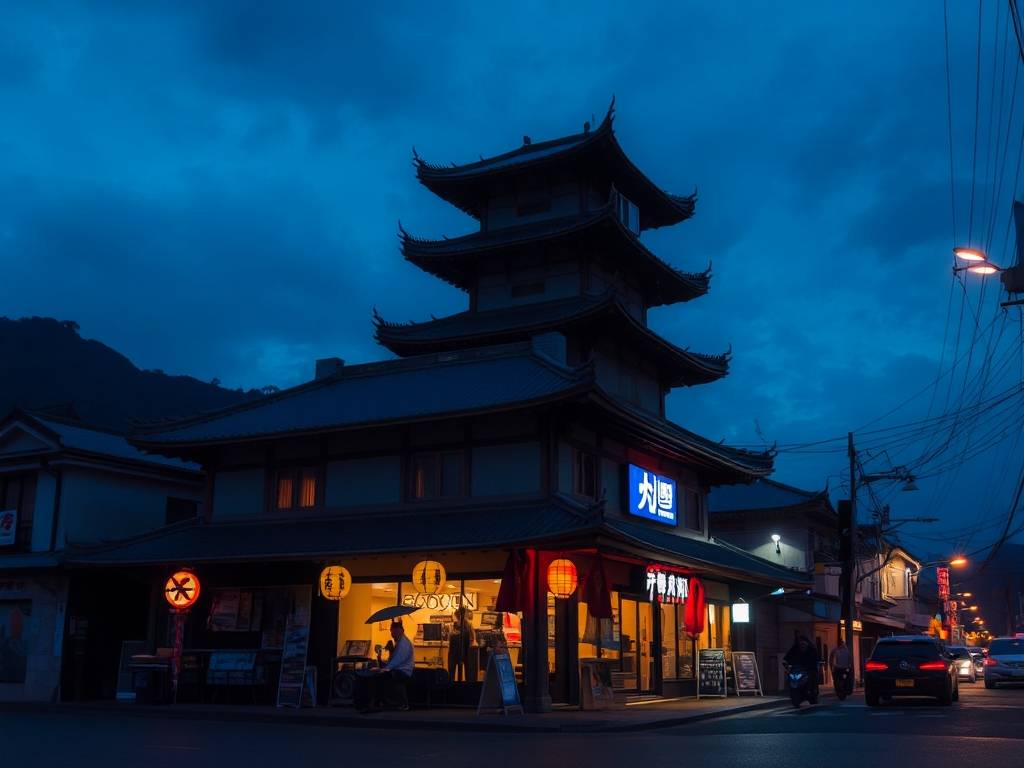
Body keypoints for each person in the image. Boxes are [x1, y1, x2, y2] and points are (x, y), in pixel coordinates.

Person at [364, 621, 414, 711]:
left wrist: (386, 668)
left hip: (403, 671)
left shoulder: (403, 643)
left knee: (382, 677)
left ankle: (400, 703)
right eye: (391, 632)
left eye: (393, 632)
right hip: (398, 669)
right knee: (379, 676)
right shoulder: (399, 642)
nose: (392, 634)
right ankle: (382, 701)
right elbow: (393, 660)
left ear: (400, 631)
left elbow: (398, 659)